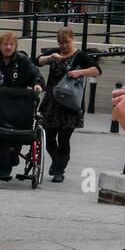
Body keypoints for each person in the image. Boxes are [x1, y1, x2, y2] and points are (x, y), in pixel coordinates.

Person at [37, 26, 101, 183]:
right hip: (52, 102)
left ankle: (59, 170)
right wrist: (49, 57)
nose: (63, 46)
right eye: (60, 43)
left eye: (66, 42)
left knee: (64, 139)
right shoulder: (56, 52)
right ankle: (57, 161)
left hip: (70, 104)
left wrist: (79, 72)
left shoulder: (80, 56)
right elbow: (37, 61)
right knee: (49, 138)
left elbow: (96, 70)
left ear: (72, 39)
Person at [0, 31, 43, 180]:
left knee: (18, 133)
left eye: (11, 44)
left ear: (16, 46)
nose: (8, 47)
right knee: (1, 136)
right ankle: (3, 169)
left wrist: (38, 85)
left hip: (20, 105)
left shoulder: (22, 60)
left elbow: (36, 75)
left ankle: (8, 161)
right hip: (0, 105)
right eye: (5, 44)